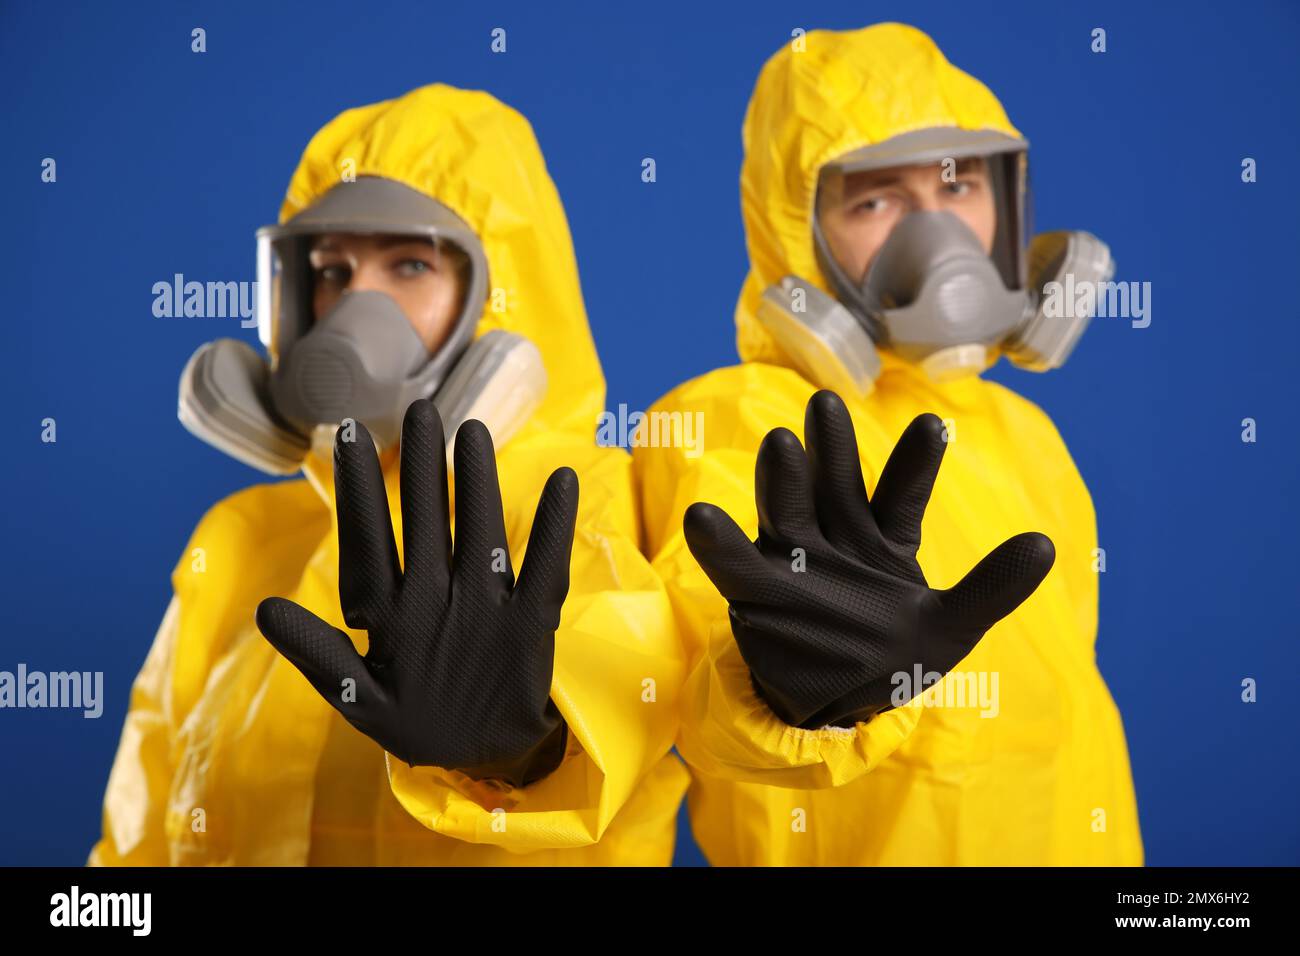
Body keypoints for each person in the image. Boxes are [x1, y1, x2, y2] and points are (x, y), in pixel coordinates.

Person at [90, 83, 688, 866]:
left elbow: (626, 682)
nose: (351, 312)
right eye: (331, 272)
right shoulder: (240, 545)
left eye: (409, 263)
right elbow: (135, 838)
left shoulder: (575, 507)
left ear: (501, 300)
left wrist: (526, 752)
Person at [633, 23, 1144, 865]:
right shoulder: (738, 419)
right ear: (797, 234)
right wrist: (796, 692)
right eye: (875, 201)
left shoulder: (1025, 434)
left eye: (960, 185)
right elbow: (700, 682)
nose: (938, 238)